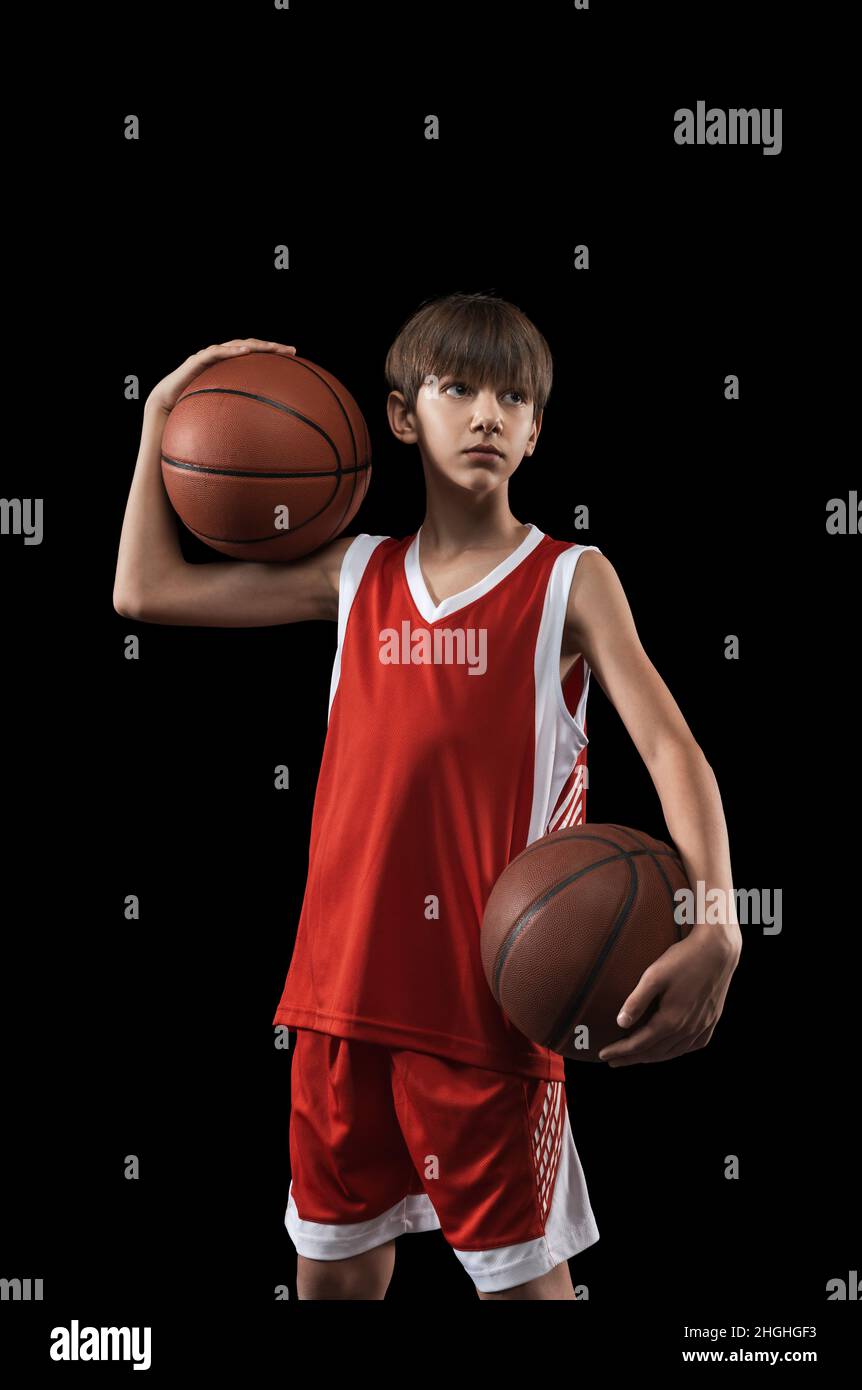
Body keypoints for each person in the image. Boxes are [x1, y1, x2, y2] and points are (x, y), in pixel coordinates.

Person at [114, 292, 742, 1301]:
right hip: (336, 999)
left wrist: (720, 921)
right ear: (403, 413)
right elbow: (142, 590)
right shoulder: (355, 573)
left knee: (526, 1290)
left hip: (486, 1011)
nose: (488, 414)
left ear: (537, 430)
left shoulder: (571, 579)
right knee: (330, 1282)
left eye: (513, 396)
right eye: (459, 389)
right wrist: (158, 422)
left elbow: (677, 753)